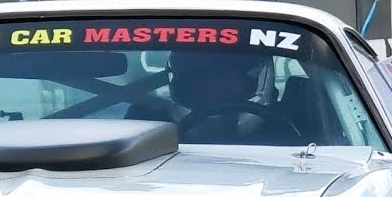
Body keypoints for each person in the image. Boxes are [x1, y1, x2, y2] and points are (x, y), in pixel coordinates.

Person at [126, 49, 301, 145]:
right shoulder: (145, 127)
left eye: (222, 74)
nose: (211, 84)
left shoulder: (296, 129)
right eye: (196, 75)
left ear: (254, 79)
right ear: (180, 82)